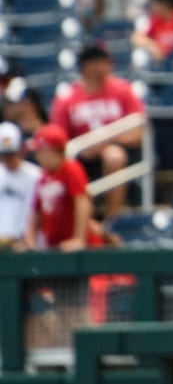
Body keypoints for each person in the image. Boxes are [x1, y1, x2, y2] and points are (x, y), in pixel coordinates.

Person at [48, 44, 145, 219]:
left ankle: (112, 220)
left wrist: (105, 142)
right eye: (98, 63)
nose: (103, 67)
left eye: (106, 62)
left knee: (114, 155)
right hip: (80, 155)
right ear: (86, 66)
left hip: (116, 149)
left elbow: (138, 132)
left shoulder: (123, 90)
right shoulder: (68, 98)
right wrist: (83, 147)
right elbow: (57, 137)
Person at [25, 124, 95, 252]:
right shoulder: (43, 176)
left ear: (51, 150)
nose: (37, 156)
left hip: (80, 250)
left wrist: (79, 239)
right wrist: (30, 240)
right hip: (56, 247)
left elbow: (82, 201)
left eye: (40, 151)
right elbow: (36, 211)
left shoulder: (71, 168)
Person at [0, 122, 39, 250]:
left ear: (21, 150)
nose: (7, 158)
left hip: (25, 242)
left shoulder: (36, 175)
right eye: (3, 154)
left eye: (11, 153)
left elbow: (36, 211)